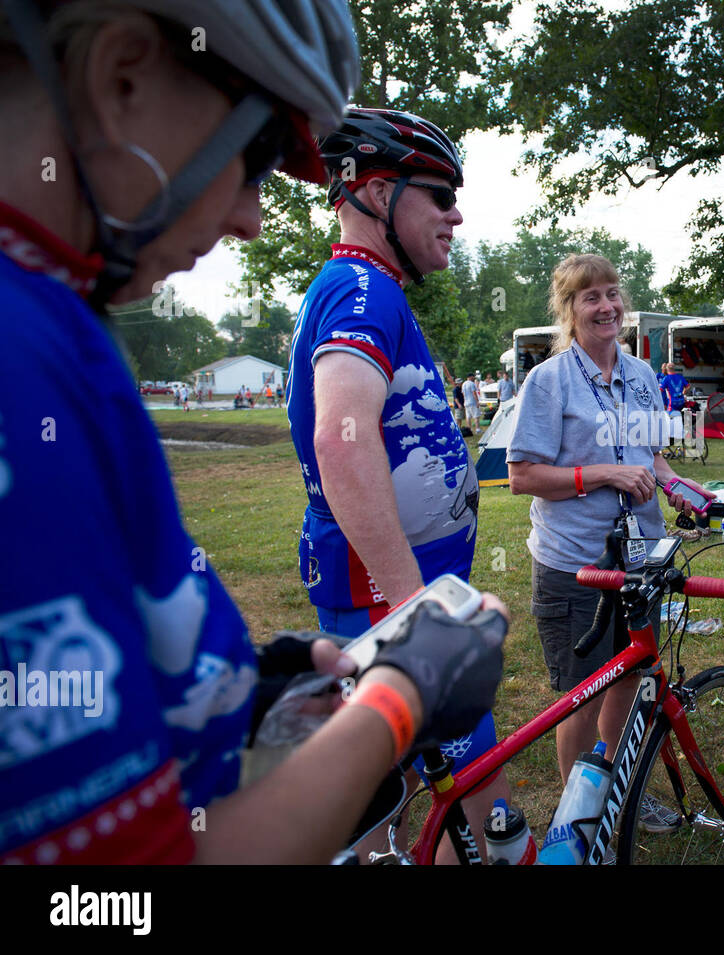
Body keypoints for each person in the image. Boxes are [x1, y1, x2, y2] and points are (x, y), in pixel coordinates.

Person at [0, 0, 504, 865]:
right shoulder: (21, 348)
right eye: (257, 157)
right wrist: (401, 691)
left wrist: (235, 686)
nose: (253, 218)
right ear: (122, 76)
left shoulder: (56, 317)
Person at [286, 105, 507, 856]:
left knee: (412, 809)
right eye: (440, 194)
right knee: (488, 816)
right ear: (378, 194)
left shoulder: (367, 286)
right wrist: (416, 611)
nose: (456, 214)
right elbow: (340, 441)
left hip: (389, 593)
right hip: (390, 601)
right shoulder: (362, 290)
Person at [507, 253, 710, 826]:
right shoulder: (548, 381)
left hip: (639, 562)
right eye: (590, 297)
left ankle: (618, 789)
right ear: (568, 311)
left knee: (627, 679)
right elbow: (522, 476)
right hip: (576, 567)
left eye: (612, 294)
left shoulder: (643, 374)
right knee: (583, 694)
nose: (606, 306)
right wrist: (602, 474)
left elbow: (650, 455)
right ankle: (577, 817)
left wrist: (673, 484)